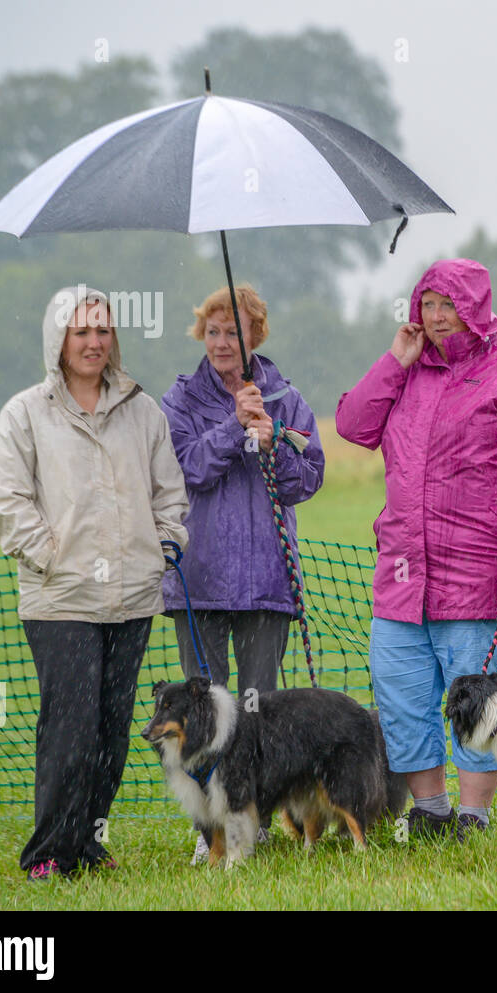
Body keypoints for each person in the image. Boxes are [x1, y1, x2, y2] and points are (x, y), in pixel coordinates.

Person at [336, 258, 497, 839]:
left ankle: (475, 816)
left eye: (449, 306)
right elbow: (352, 425)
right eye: (428, 305)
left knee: (479, 703)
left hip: (483, 574)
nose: (437, 317)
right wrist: (394, 360)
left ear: (476, 308)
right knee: (402, 697)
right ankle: (432, 812)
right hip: (403, 575)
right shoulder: (407, 371)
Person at [0, 285, 189, 881]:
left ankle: (87, 842)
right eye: (81, 331)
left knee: (111, 733)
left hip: (132, 598)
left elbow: (169, 497)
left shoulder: (142, 411)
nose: (94, 342)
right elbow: (4, 499)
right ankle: (49, 853)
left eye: (102, 330)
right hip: (60, 599)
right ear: (59, 340)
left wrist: (163, 548)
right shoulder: (25, 413)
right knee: (70, 731)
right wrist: (50, 556)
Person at [159, 284, 325, 699]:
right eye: (212, 332)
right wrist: (235, 426)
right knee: (203, 713)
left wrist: (274, 447)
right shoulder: (179, 402)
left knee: (259, 715)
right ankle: (208, 771)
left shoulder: (286, 400)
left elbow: (306, 481)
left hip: (267, 582)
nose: (221, 343)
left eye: (233, 332)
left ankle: (253, 769)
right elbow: (188, 470)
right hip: (198, 580)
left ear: (256, 335)